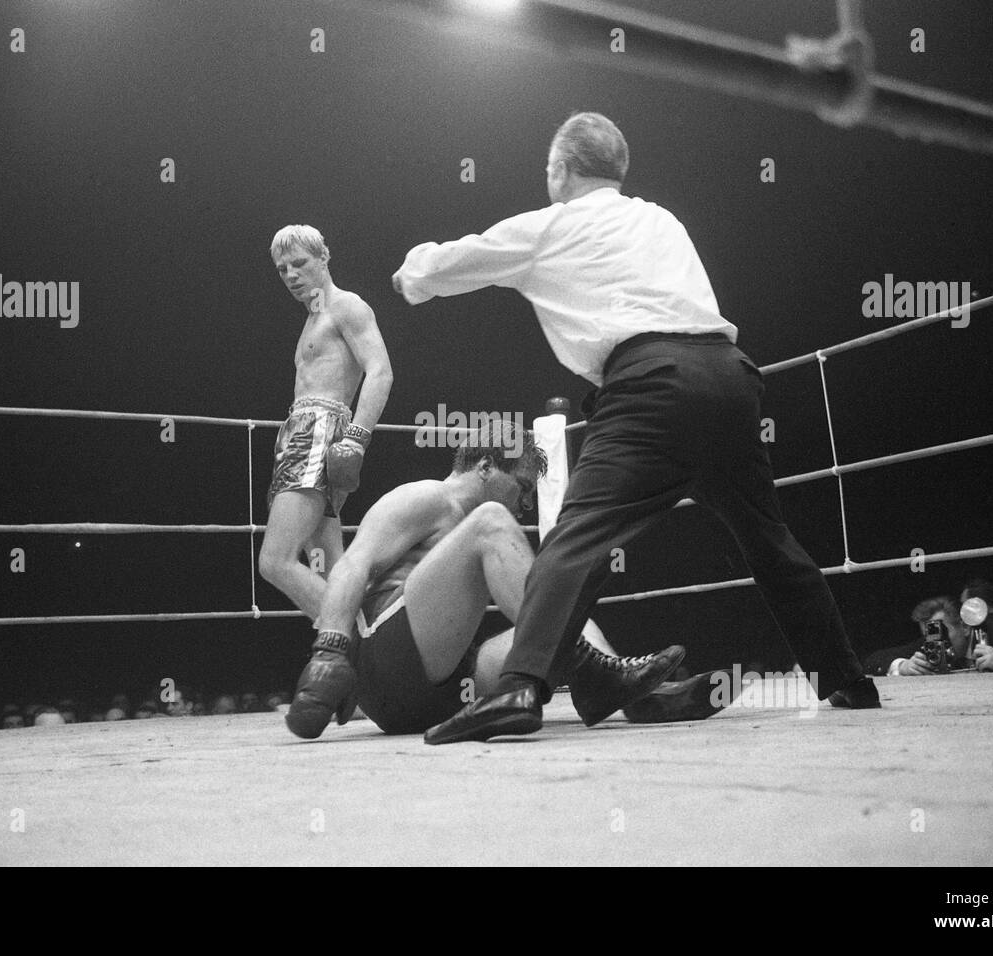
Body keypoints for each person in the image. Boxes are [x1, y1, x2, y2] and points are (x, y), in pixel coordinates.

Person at [391, 112, 876, 744]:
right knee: (769, 540)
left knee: (575, 541)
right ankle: (846, 678)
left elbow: (447, 266)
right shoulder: (662, 219)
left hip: (651, 387)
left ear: (561, 170)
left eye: (549, 169)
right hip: (731, 379)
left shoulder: (554, 226)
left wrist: (408, 273)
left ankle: (518, 690)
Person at [286, 422, 685, 740]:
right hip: (386, 664)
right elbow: (353, 565)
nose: (526, 505)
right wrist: (330, 650)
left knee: (578, 622)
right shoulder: (428, 497)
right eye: (524, 487)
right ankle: (593, 675)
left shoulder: (467, 533)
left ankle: (636, 699)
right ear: (486, 466)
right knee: (492, 521)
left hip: (443, 691)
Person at [259, 225, 394, 622]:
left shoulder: (346, 306)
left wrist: (356, 438)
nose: (291, 275)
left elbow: (381, 372)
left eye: (300, 264)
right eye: (283, 269)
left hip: (319, 432)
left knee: (275, 560)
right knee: (325, 564)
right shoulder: (313, 319)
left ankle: (360, 646)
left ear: (324, 258)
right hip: (303, 434)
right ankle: (355, 666)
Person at [865, 585, 993, 676]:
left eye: (940, 630)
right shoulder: (930, 644)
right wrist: (903, 666)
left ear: (965, 626)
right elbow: (873, 659)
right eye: (928, 633)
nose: (934, 640)